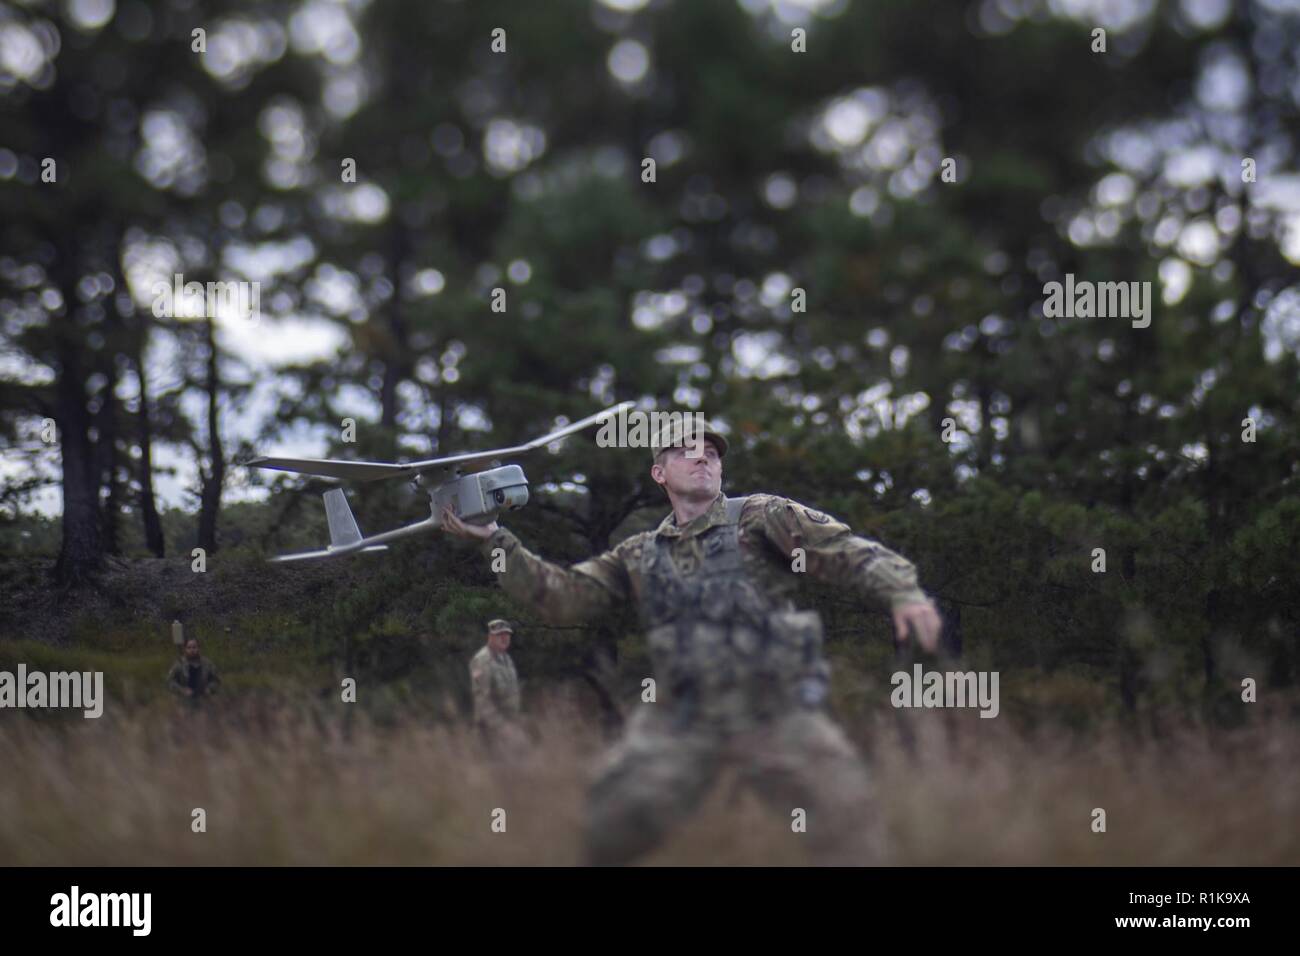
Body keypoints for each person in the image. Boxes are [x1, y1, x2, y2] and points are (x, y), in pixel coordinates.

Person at [443, 417, 942, 864]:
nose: (703, 456)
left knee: (848, 823)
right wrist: (496, 542)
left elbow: (846, 550)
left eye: (712, 452)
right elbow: (565, 597)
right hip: (682, 718)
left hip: (774, 709)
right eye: (685, 450)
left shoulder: (762, 516)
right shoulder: (640, 553)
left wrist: (903, 591)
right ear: (659, 473)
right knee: (608, 827)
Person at [469, 619, 530, 757]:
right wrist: (502, 727)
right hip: (490, 734)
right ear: (490, 637)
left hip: (510, 729)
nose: (504, 638)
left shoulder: (506, 659)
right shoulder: (482, 660)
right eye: (499, 634)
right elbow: (482, 701)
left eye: (507, 634)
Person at [167, 637, 221, 703]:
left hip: (204, 700)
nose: (192, 650)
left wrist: (209, 689)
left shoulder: (207, 664)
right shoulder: (180, 664)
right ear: (185, 649)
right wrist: (182, 690)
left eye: (194, 647)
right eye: (189, 647)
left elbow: (216, 680)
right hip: (184, 700)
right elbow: (170, 681)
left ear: (198, 648)